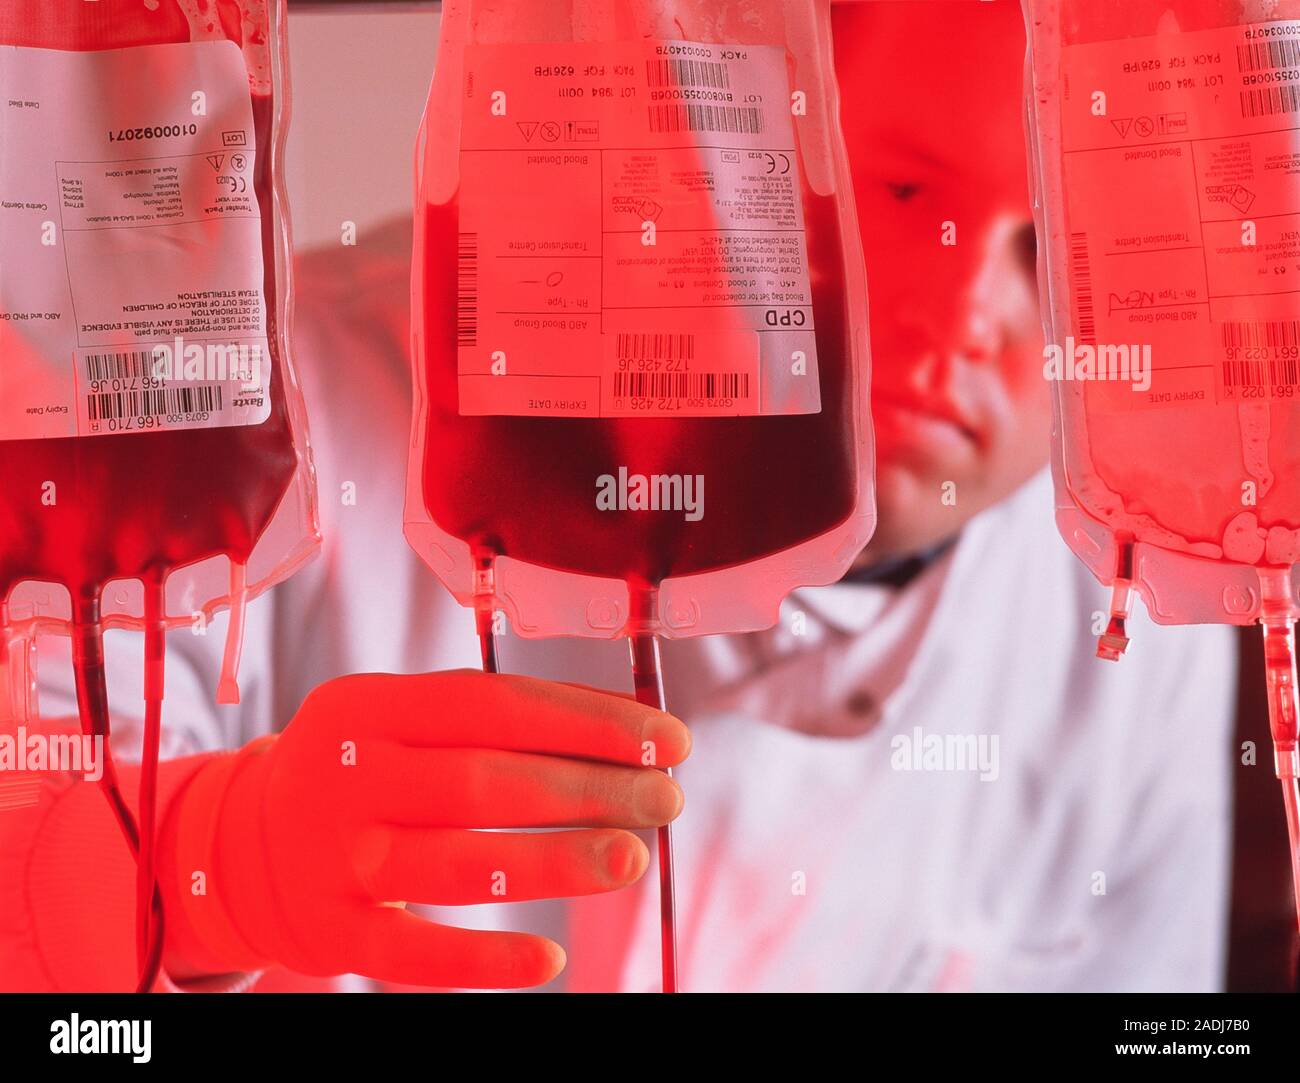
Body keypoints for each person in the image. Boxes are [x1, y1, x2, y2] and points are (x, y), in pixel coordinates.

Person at [0, 0, 1236, 992]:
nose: (972, 319)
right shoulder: (255, 404)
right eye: (904, 192)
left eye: (1060, 249)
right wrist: (214, 861)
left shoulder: (1132, 596)